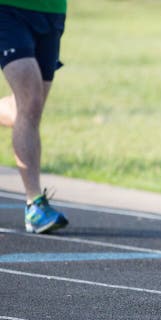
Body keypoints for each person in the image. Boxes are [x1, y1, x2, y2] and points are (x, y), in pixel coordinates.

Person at [0, 0, 68, 234]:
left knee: (23, 111)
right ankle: (35, 204)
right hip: (8, 10)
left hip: (51, 12)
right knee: (30, 102)